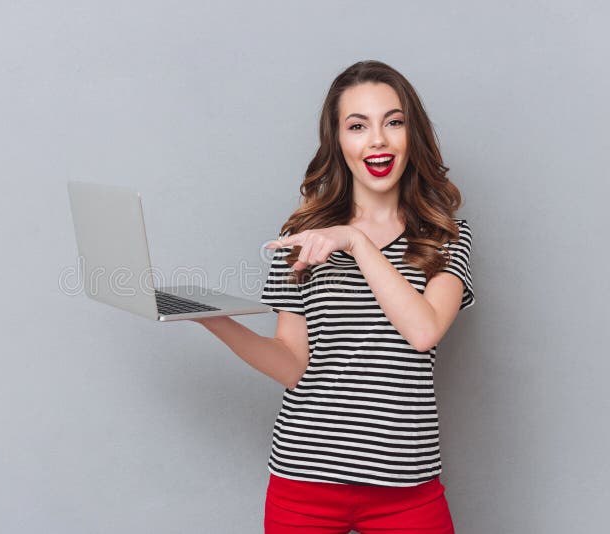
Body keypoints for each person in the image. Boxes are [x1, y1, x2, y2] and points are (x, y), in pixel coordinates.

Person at [191, 59, 474, 533]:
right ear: (339, 141)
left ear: (412, 136)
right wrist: (212, 319)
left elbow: (423, 331)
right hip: (304, 481)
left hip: (407, 485)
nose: (377, 139)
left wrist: (357, 241)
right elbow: (291, 365)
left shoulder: (446, 236)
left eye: (394, 122)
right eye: (358, 125)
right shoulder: (302, 236)